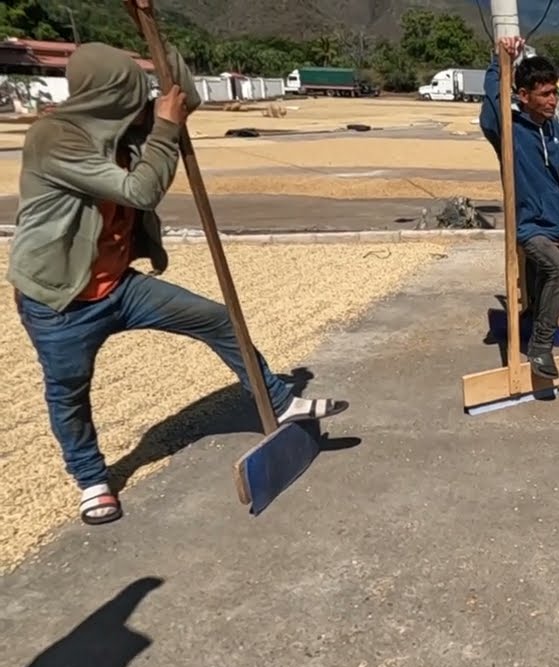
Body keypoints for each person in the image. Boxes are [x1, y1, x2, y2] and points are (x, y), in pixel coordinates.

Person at [8, 42, 349, 526]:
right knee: (68, 392)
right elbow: (139, 190)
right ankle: (91, 480)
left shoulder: (120, 125)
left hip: (119, 288)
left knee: (217, 319)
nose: (139, 104)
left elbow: (182, 97)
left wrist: (156, 37)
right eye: (128, 92)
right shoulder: (55, 137)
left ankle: (280, 400)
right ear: (104, 94)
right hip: (59, 300)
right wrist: (165, 126)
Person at [479, 36, 559, 380]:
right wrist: (501, 59)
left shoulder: (551, 127)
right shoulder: (507, 129)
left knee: (543, 288)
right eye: (546, 94)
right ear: (524, 96)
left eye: (555, 92)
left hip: (556, 222)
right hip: (528, 226)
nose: (554, 100)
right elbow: (494, 99)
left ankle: (545, 309)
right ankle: (540, 348)